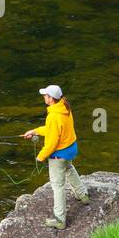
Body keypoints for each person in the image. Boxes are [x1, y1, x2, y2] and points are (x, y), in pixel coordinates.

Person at [21, 84, 88, 230]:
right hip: (71, 149)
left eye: (45, 95)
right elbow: (54, 130)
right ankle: (83, 195)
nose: (44, 97)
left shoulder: (53, 116)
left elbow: (52, 142)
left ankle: (60, 220)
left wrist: (40, 156)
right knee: (69, 168)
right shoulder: (65, 108)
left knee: (58, 186)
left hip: (59, 155)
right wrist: (35, 131)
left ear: (51, 99)